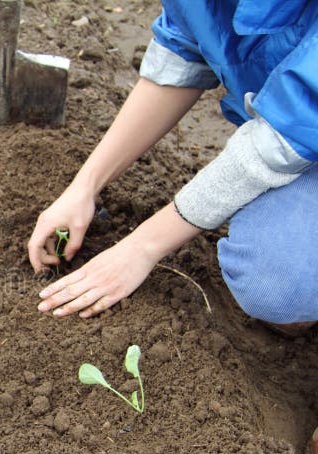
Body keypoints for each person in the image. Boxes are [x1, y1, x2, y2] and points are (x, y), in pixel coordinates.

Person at [27, 1, 318, 334]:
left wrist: (141, 247)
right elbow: (182, 55)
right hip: (293, 130)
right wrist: (84, 187)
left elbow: (290, 130)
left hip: (298, 131)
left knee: (277, 282)